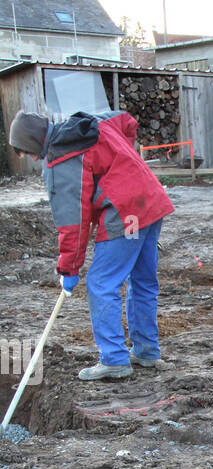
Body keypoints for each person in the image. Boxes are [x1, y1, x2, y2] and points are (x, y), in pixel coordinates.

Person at [8, 109, 174, 381]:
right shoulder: (89, 124)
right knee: (142, 279)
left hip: (128, 215)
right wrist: (122, 165)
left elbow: (73, 222)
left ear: (33, 143)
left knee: (100, 283)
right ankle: (146, 351)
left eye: (26, 152)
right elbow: (127, 121)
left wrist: (69, 269)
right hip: (150, 202)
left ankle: (114, 359)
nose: (29, 158)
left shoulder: (61, 160)